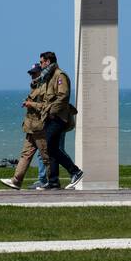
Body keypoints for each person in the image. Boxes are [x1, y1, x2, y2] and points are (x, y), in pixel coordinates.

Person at [37, 51, 84, 190]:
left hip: (58, 117)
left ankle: (75, 171)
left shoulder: (59, 75)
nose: (40, 64)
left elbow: (63, 96)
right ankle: (53, 182)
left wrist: (52, 112)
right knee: (51, 148)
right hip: (50, 117)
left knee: (51, 147)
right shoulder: (49, 77)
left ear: (48, 61)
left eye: (41, 62)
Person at [1, 63, 51, 190]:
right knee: (26, 154)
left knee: (46, 156)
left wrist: (31, 104)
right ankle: (16, 180)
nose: (32, 76)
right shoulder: (35, 87)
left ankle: (52, 181)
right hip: (31, 127)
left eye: (34, 73)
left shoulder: (45, 87)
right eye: (31, 73)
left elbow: (46, 107)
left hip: (39, 127)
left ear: (41, 73)